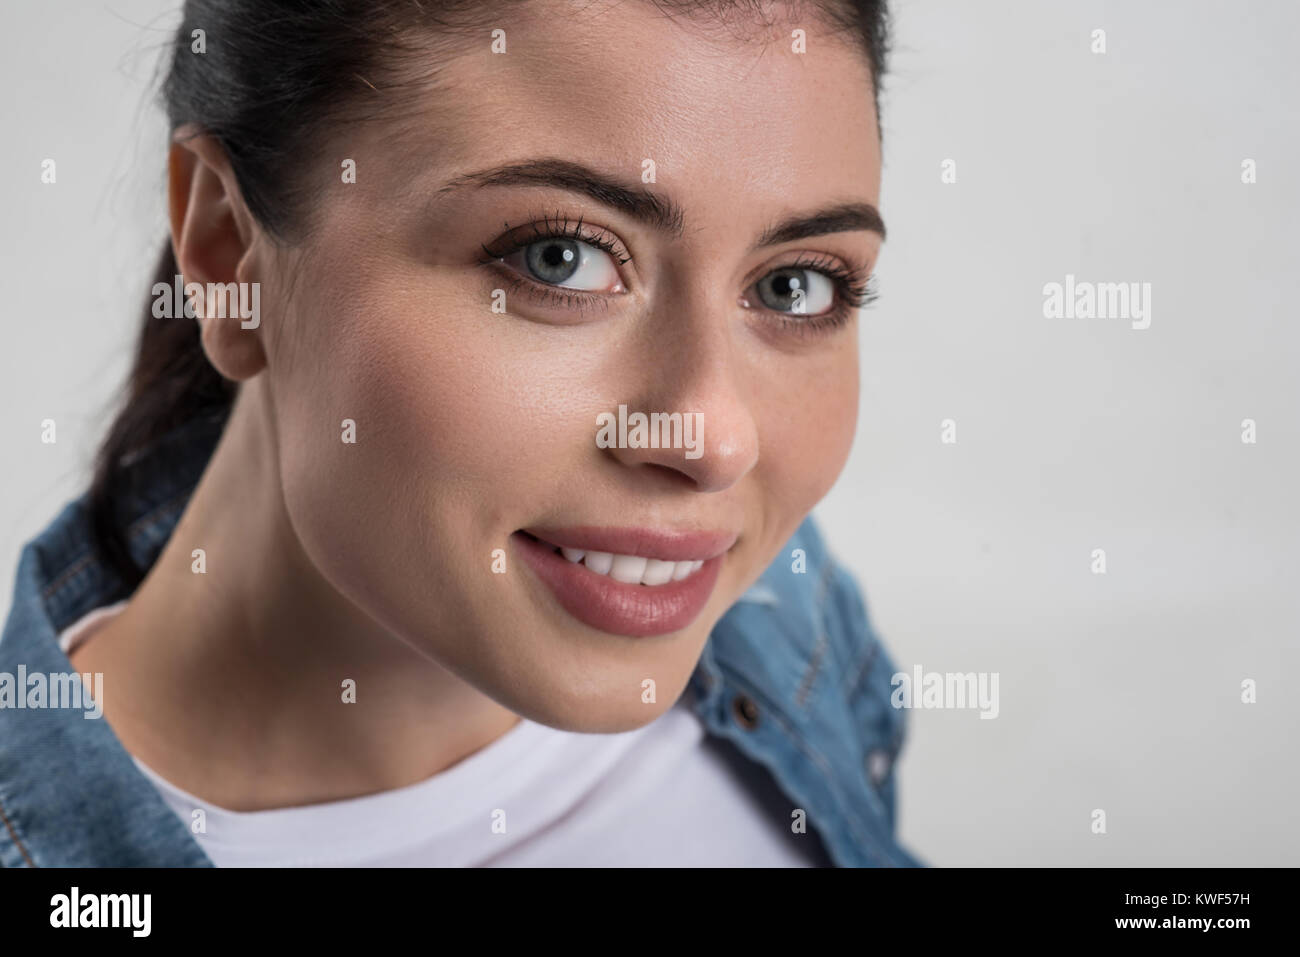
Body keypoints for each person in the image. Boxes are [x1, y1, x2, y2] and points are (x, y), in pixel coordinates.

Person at [0, 0, 919, 867]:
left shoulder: (782, 618)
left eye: (796, 286)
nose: (713, 443)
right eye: (560, 258)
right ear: (227, 249)